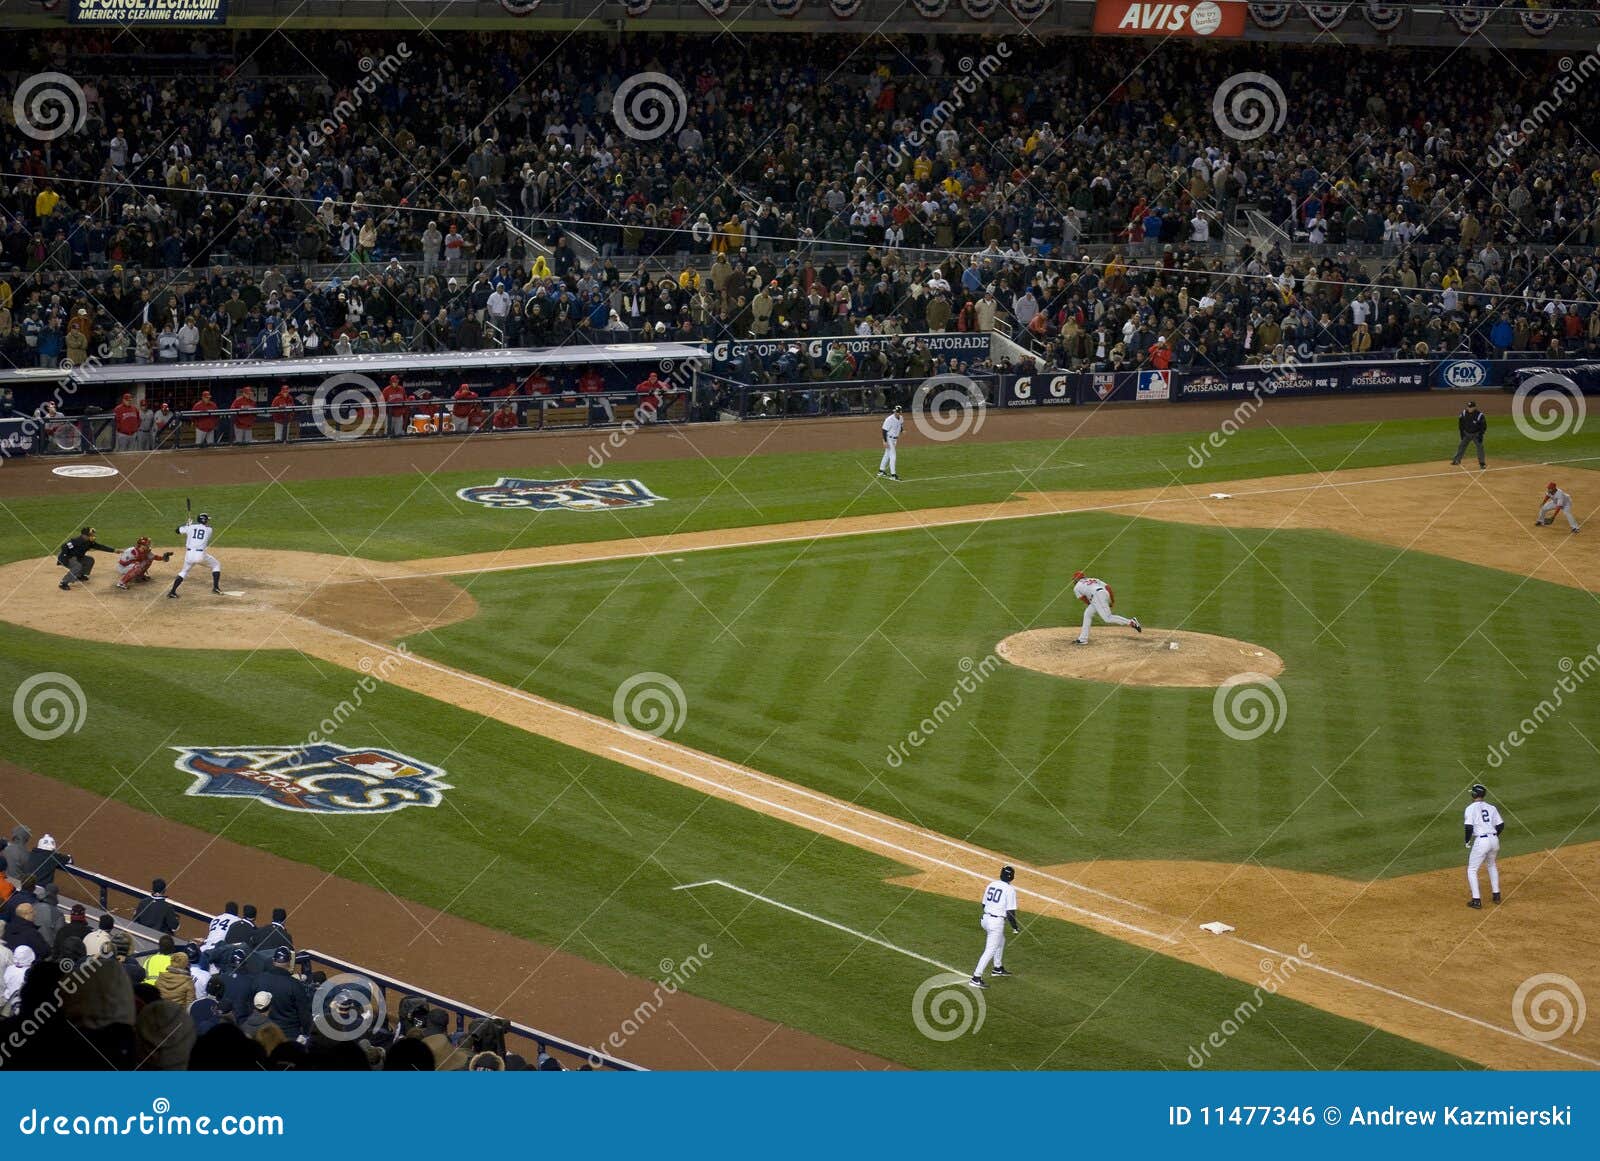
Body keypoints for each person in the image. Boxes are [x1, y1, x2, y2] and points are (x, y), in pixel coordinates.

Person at [969, 865, 1020, 989]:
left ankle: (997, 968)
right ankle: (976, 977)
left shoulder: (991, 884)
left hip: (985, 919)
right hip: (995, 923)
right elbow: (1010, 912)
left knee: (1001, 941)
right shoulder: (1010, 889)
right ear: (1012, 877)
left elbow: (983, 904)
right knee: (990, 950)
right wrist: (1015, 927)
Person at [1071, 570, 1142, 644]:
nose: (1074, 581)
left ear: (1077, 579)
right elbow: (1108, 587)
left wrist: (1097, 604)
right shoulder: (1094, 579)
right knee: (1087, 614)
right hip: (1104, 594)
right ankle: (1083, 639)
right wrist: (1112, 601)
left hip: (1097, 597)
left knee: (1107, 618)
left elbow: (1084, 600)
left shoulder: (1076, 587)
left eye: (1074, 579)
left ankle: (1131, 622)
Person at [1465, 783, 1505, 908]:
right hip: (1494, 840)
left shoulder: (1470, 808)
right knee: (1491, 865)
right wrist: (1494, 836)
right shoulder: (1491, 807)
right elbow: (1501, 825)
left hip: (1482, 841)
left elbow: (1468, 827)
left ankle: (1476, 900)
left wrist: (1467, 841)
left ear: (1474, 794)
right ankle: (1496, 894)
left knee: (1472, 870)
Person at [168, 512, 222, 599]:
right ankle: (216, 587)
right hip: (200, 555)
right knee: (216, 565)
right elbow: (201, 530)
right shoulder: (209, 530)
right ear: (205, 521)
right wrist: (189, 526)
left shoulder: (190, 527)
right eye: (207, 519)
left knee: (184, 572)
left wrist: (187, 525)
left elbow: (177, 531)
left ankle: (172, 592)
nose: (208, 521)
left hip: (189, 555)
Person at [57, 526, 116, 590]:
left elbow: (100, 547)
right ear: (84, 535)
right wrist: (64, 558)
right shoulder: (77, 541)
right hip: (66, 557)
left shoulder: (89, 542)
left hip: (77, 557)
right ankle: (63, 583)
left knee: (89, 560)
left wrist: (114, 550)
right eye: (90, 535)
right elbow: (64, 546)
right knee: (77, 566)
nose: (92, 536)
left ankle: (80, 576)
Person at [1451, 400, 1487, 469]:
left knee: (1480, 447)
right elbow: (1460, 423)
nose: (1469, 409)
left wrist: (1481, 435)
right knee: (1461, 446)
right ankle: (1457, 460)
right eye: (1468, 407)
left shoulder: (1479, 415)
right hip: (1466, 433)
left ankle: (1482, 463)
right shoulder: (1464, 413)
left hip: (1476, 434)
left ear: (1474, 407)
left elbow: (1484, 426)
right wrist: (1461, 433)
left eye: (1471, 407)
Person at [878, 404, 903, 480]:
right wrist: (885, 441)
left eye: (898, 412)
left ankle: (881, 471)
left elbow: (900, 425)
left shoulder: (901, 418)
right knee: (893, 455)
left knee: (887, 454)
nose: (896, 413)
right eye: (895, 412)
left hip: (895, 439)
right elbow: (884, 430)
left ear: (900, 412)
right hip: (889, 439)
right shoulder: (889, 419)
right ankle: (893, 475)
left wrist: (902, 430)